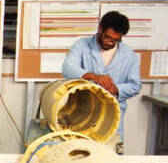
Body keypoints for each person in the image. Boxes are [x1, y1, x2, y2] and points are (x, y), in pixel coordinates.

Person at [61, 10, 142, 142]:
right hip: (83, 112)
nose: (110, 42)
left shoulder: (129, 54)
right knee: (81, 153)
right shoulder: (82, 45)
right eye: (107, 37)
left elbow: (135, 85)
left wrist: (116, 88)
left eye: (116, 40)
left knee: (110, 154)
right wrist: (93, 76)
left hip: (113, 114)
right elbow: (67, 68)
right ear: (100, 29)